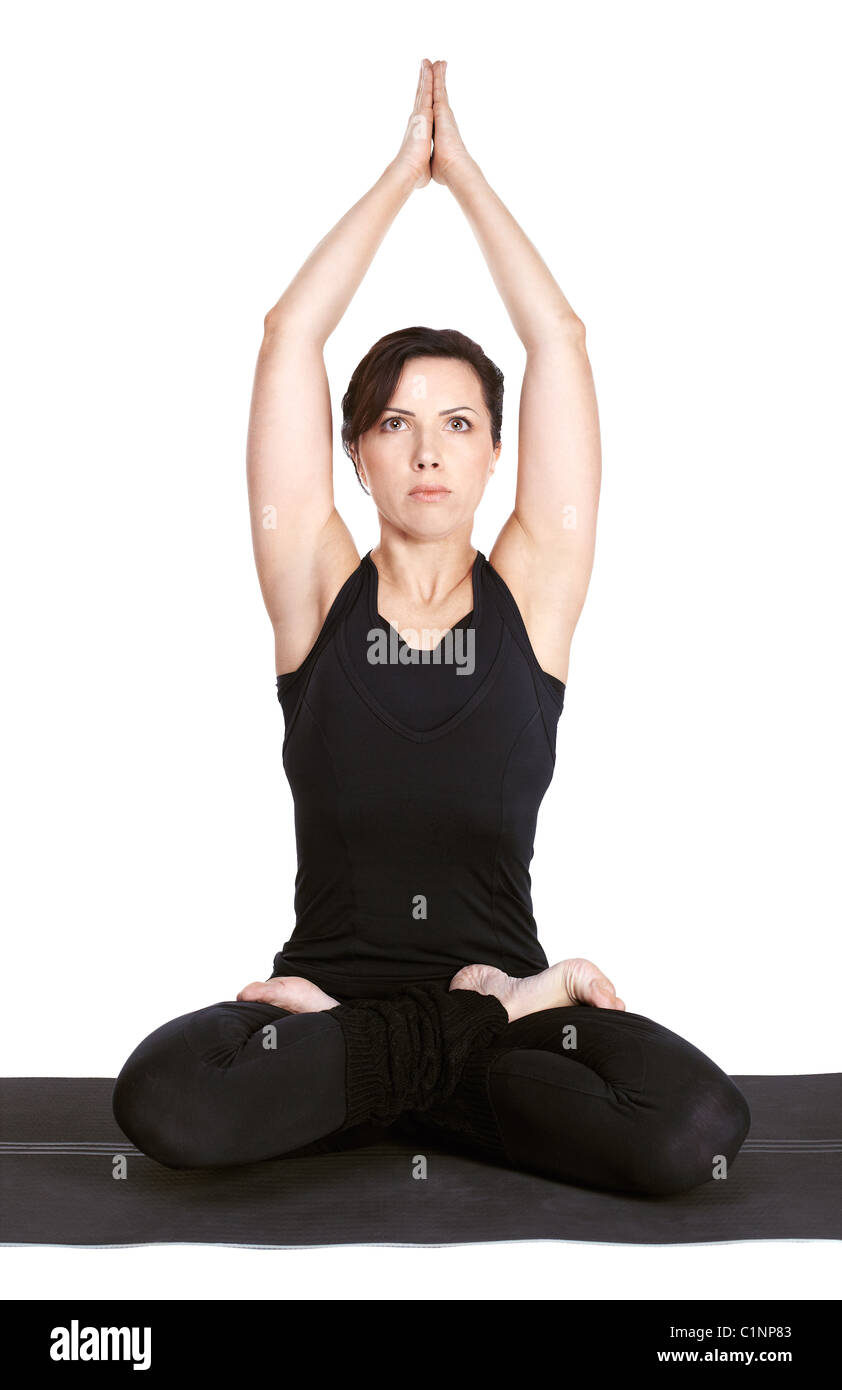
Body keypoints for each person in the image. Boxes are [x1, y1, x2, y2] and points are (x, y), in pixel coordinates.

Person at [112, 59, 750, 1196]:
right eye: (395, 423)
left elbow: (558, 336)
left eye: (458, 422)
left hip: (484, 1018)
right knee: (167, 1095)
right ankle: (426, 1055)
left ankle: (402, 1066)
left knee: (691, 1121)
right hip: (346, 1009)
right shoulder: (314, 593)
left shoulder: (533, 592)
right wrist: (399, 175)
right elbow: (286, 334)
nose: (426, 449)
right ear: (354, 453)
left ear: (493, 454)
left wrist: (463, 177)